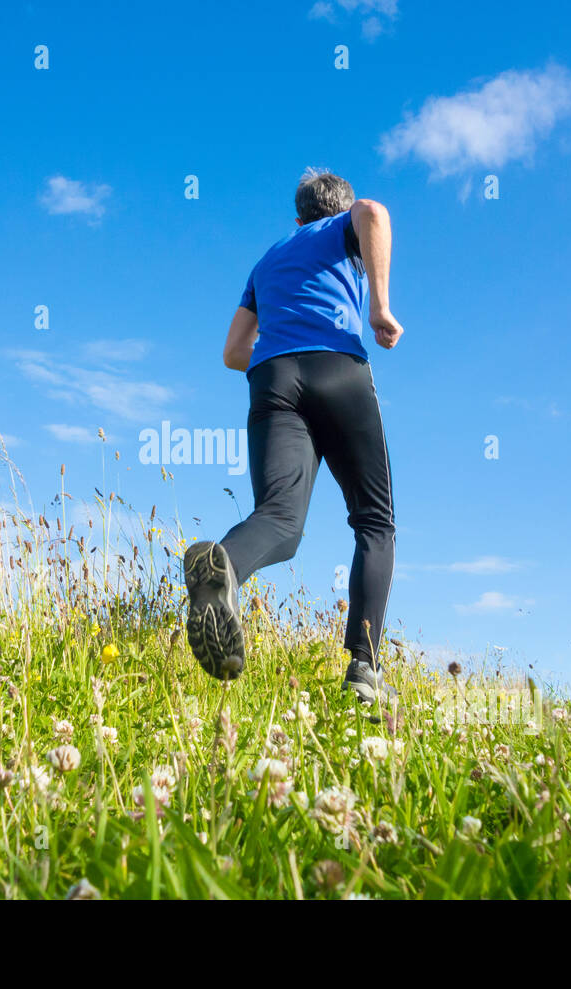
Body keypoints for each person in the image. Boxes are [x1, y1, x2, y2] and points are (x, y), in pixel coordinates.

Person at [183, 168, 402, 708]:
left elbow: (234, 352)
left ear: (297, 216)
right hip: (338, 369)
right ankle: (363, 667)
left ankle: (225, 566)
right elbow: (374, 213)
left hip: (272, 380)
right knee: (374, 521)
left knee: (280, 519)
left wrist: (280, 359)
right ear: (334, 213)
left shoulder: (267, 260)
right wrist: (378, 308)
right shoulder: (339, 232)